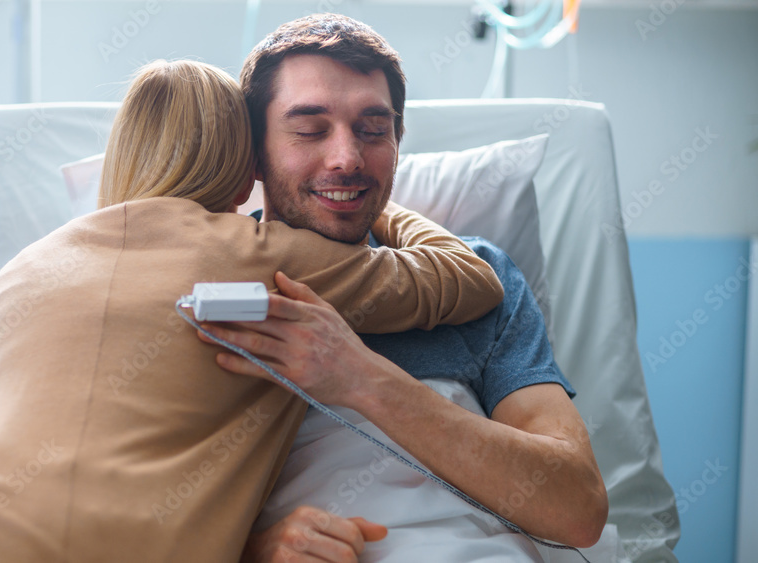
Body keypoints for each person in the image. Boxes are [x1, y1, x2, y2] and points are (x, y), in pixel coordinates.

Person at [0, 60, 505, 562]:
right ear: (243, 175)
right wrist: (365, 192)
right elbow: (468, 279)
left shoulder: (19, 271)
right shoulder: (260, 252)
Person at [196, 14, 610, 562]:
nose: (347, 158)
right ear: (253, 152)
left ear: (397, 141)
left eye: (373, 129)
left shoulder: (479, 284)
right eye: (310, 128)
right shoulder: (211, 287)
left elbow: (577, 508)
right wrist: (252, 551)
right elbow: (121, 509)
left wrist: (359, 376)